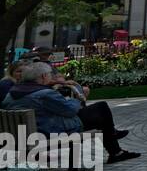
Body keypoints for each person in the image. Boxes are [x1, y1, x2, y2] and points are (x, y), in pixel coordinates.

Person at [1, 62, 139, 163]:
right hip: (50, 131)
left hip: (27, 133)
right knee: (101, 108)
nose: (51, 76)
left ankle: (114, 142)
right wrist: (78, 98)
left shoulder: (12, 94)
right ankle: (115, 148)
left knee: (98, 113)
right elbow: (71, 110)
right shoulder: (43, 93)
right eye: (49, 74)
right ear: (43, 76)